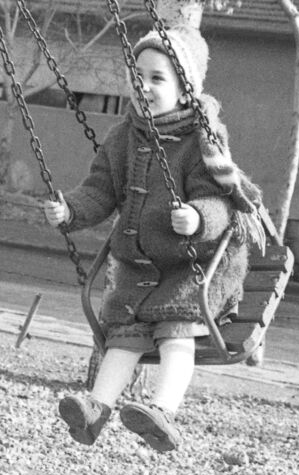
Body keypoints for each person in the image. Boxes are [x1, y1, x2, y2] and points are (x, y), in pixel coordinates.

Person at [41, 25, 267, 453]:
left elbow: (221, 201)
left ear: (185, 90)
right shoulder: (124, 136)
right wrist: (70, 210)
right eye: (137, 74)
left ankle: (163, 412)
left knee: (176, 333)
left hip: (191, 266)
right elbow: (100, 190)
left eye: (157, 78)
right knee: (122, 338)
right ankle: (95, 410)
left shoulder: (202, 139)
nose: (143, 85)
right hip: (139, 267)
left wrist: (197, 218)